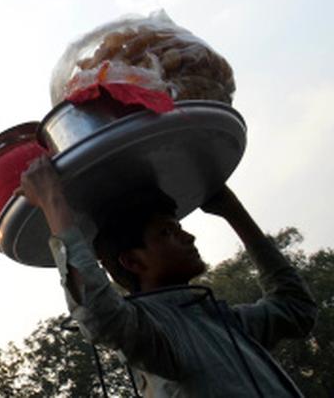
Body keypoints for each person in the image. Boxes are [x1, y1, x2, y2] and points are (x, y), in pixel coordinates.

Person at [19, 155, 317, 397]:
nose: (189, 238)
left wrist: (234, 212)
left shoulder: (224, 321)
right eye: (167, 233)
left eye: (179, 228)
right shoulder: (156, 334)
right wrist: (51, 199)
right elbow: (98, 313)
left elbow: (296, 308)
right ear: (133, 261)